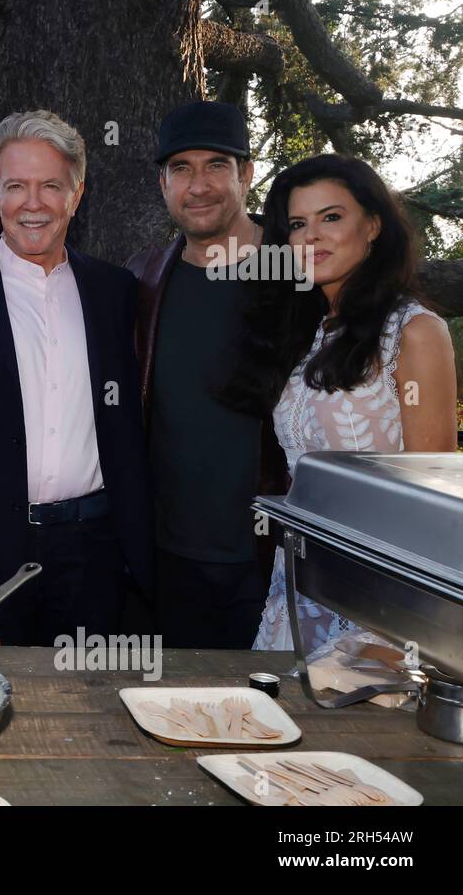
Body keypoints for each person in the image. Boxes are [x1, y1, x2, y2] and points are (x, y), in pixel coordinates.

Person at [0, 110, 154, 646]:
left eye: (51, 186)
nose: (33, 203)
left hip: (99, 554)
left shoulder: (115, 293)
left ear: (78, 193)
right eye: (16, 186)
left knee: (94, 715)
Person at [217, 155, 457, 652]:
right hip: (301, 583)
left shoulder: (413, 331)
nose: (312, 237)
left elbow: (434, 502)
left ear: (372, 225)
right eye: (298, 224)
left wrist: (396, 636)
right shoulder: (306, 334)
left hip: (384, 598)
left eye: (332, 217)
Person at [123, 101, 288, 648]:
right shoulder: (143, 279)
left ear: (247, 173)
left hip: (276, 559)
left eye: (217, 164)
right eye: (181, 168)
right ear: (162, 182)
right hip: (166, 566)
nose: (199, 185)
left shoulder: (300, 275)